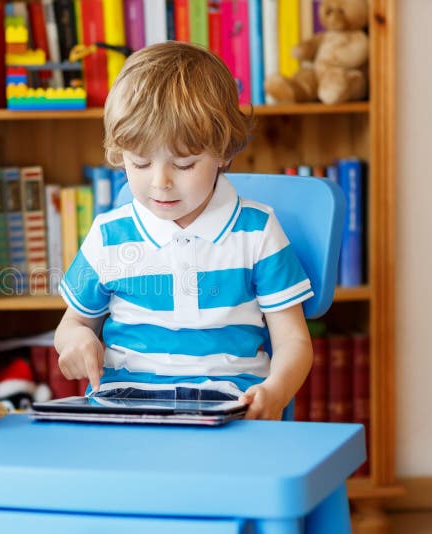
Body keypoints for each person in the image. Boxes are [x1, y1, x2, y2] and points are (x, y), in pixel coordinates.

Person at [53, 42, 313, 420]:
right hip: (125, 412)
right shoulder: (110, 235)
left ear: (222, 152)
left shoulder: (257, 233)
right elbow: (73, 323)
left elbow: (293, 341)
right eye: (140, 162)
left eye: (185, 164)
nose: (160, 183)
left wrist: (275, 392)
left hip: (228, 409)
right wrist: (76, 340)